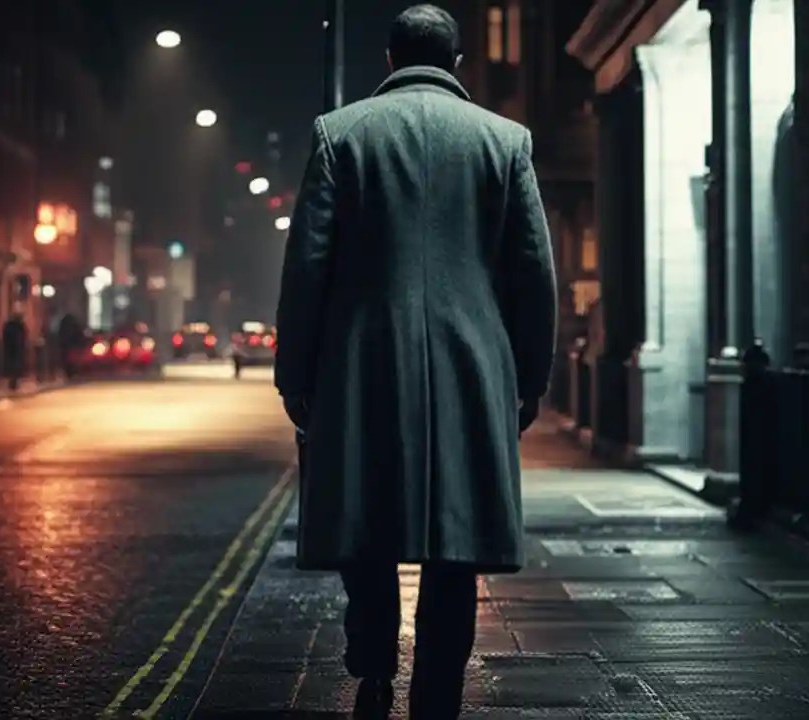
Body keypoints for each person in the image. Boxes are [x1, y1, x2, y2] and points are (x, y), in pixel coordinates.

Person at [273, 5, 556, 717]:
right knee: (453, 543)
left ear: (390, 59)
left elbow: (308, 267)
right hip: (473, 367)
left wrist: (296, 376)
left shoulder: (341, 135)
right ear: (457, 62)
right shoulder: (505, 141)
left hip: (363, 362)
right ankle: (438, 692)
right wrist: (528, 381)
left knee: (365, 525)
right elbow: (533, 275)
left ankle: (371, 661)